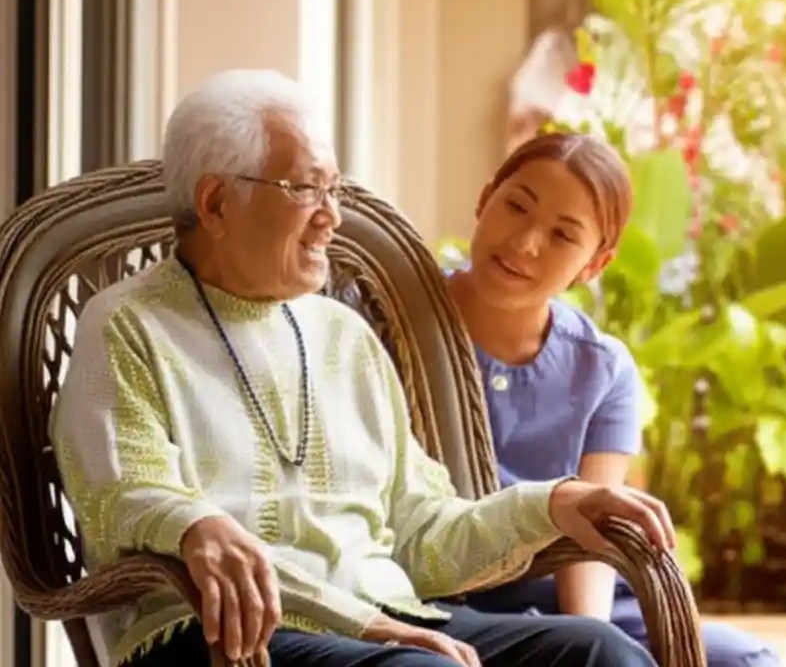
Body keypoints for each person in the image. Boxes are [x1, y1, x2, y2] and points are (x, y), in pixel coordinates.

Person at [49, 69, 676, 667]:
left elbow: (422, 531)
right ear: (216, 203)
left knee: (599, 654)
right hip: (224, 635)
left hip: (387, 620)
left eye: (334, 189)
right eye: (305, 190)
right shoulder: (127, 326)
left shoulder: (343, 336)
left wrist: (556, 502)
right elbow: (126, 496)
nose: (332, 216)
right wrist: (361, 624)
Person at [444, 132, 782, 667]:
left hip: (564, 597)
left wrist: (583, 636)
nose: (525, 243)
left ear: (594, 264)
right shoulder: (399, 313)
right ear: (486, 199)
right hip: (446, 600)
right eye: (515, 207)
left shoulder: (602, 367)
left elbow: (595, 536)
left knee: (743, 660)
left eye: (562, 235)